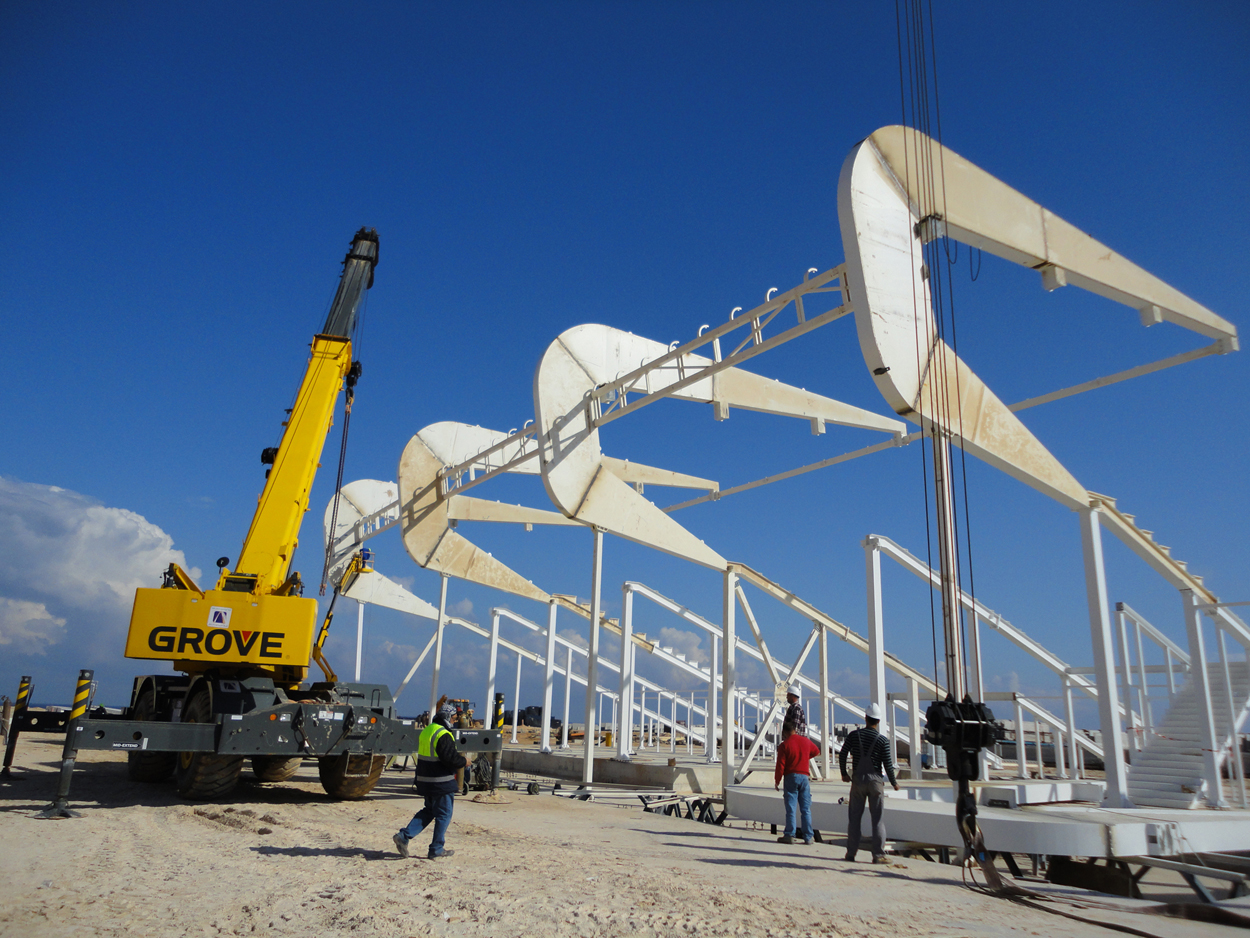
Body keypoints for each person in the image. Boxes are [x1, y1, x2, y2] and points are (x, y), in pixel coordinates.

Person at [394, 700, 467, 860]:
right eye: (454, 718)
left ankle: (404, 836)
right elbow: (449, 759)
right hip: (441, 781)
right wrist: (464, 762)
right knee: (444, 814)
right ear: (447, 717)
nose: (455, 721)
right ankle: (436, 849)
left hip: (425, 779)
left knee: (429, 811)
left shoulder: (427, 730)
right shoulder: (443, 734)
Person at [839, 702, 899, 864]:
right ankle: (878, 855)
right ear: (878, 721)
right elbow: (887, 764)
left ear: (865, 718)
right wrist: (894, 783)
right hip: (875, 782)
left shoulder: (854, 735)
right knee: (877, 819)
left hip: (858, 780)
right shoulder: (882, 741)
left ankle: (851, 854)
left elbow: (843, 753)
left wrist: (844, 773)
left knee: (854, 819)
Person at [774, 718, 820, 845]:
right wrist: (804, 756)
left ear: (785, 732)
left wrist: (777, 780)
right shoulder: (805, 741)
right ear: (795, 729)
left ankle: (789, 834)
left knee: (791, 808)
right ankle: (808, 837)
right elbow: (816, 751)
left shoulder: (784, 745)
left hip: (791, 776)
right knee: (806, 808)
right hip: (804, 777)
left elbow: (780, 765)